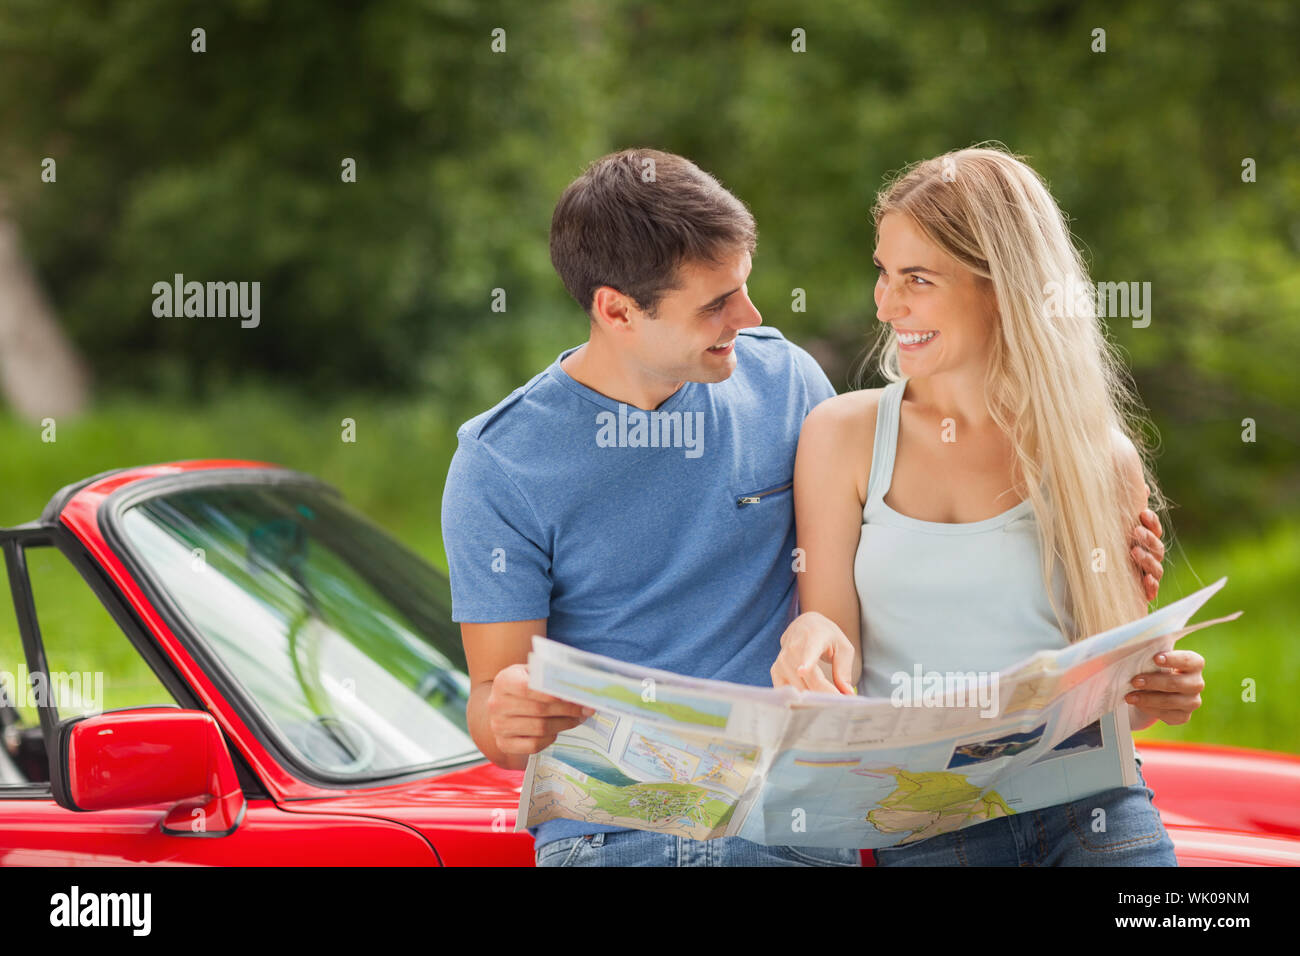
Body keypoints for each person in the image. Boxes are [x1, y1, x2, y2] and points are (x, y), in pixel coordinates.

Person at [441, 147, 1166, 868]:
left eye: (743, 286)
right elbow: (492, 707)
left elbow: (865, 565)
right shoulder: (501, 462)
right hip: (615, 833)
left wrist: (1103, 572)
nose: (750, 316)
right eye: (716, 304)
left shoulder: (783, 383)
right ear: (617, 310)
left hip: (785, 824)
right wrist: (508, 719)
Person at [770, 145, 1193, 866]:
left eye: (918, 280)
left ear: (999, 288)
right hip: (931, 825)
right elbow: (832, 642)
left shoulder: (1098, 460)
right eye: (884, 271)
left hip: (1092, 813)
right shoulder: (842, 436)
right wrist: (806, 640)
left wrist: (1161, 690)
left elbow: (1127, 706)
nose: (886, 302)